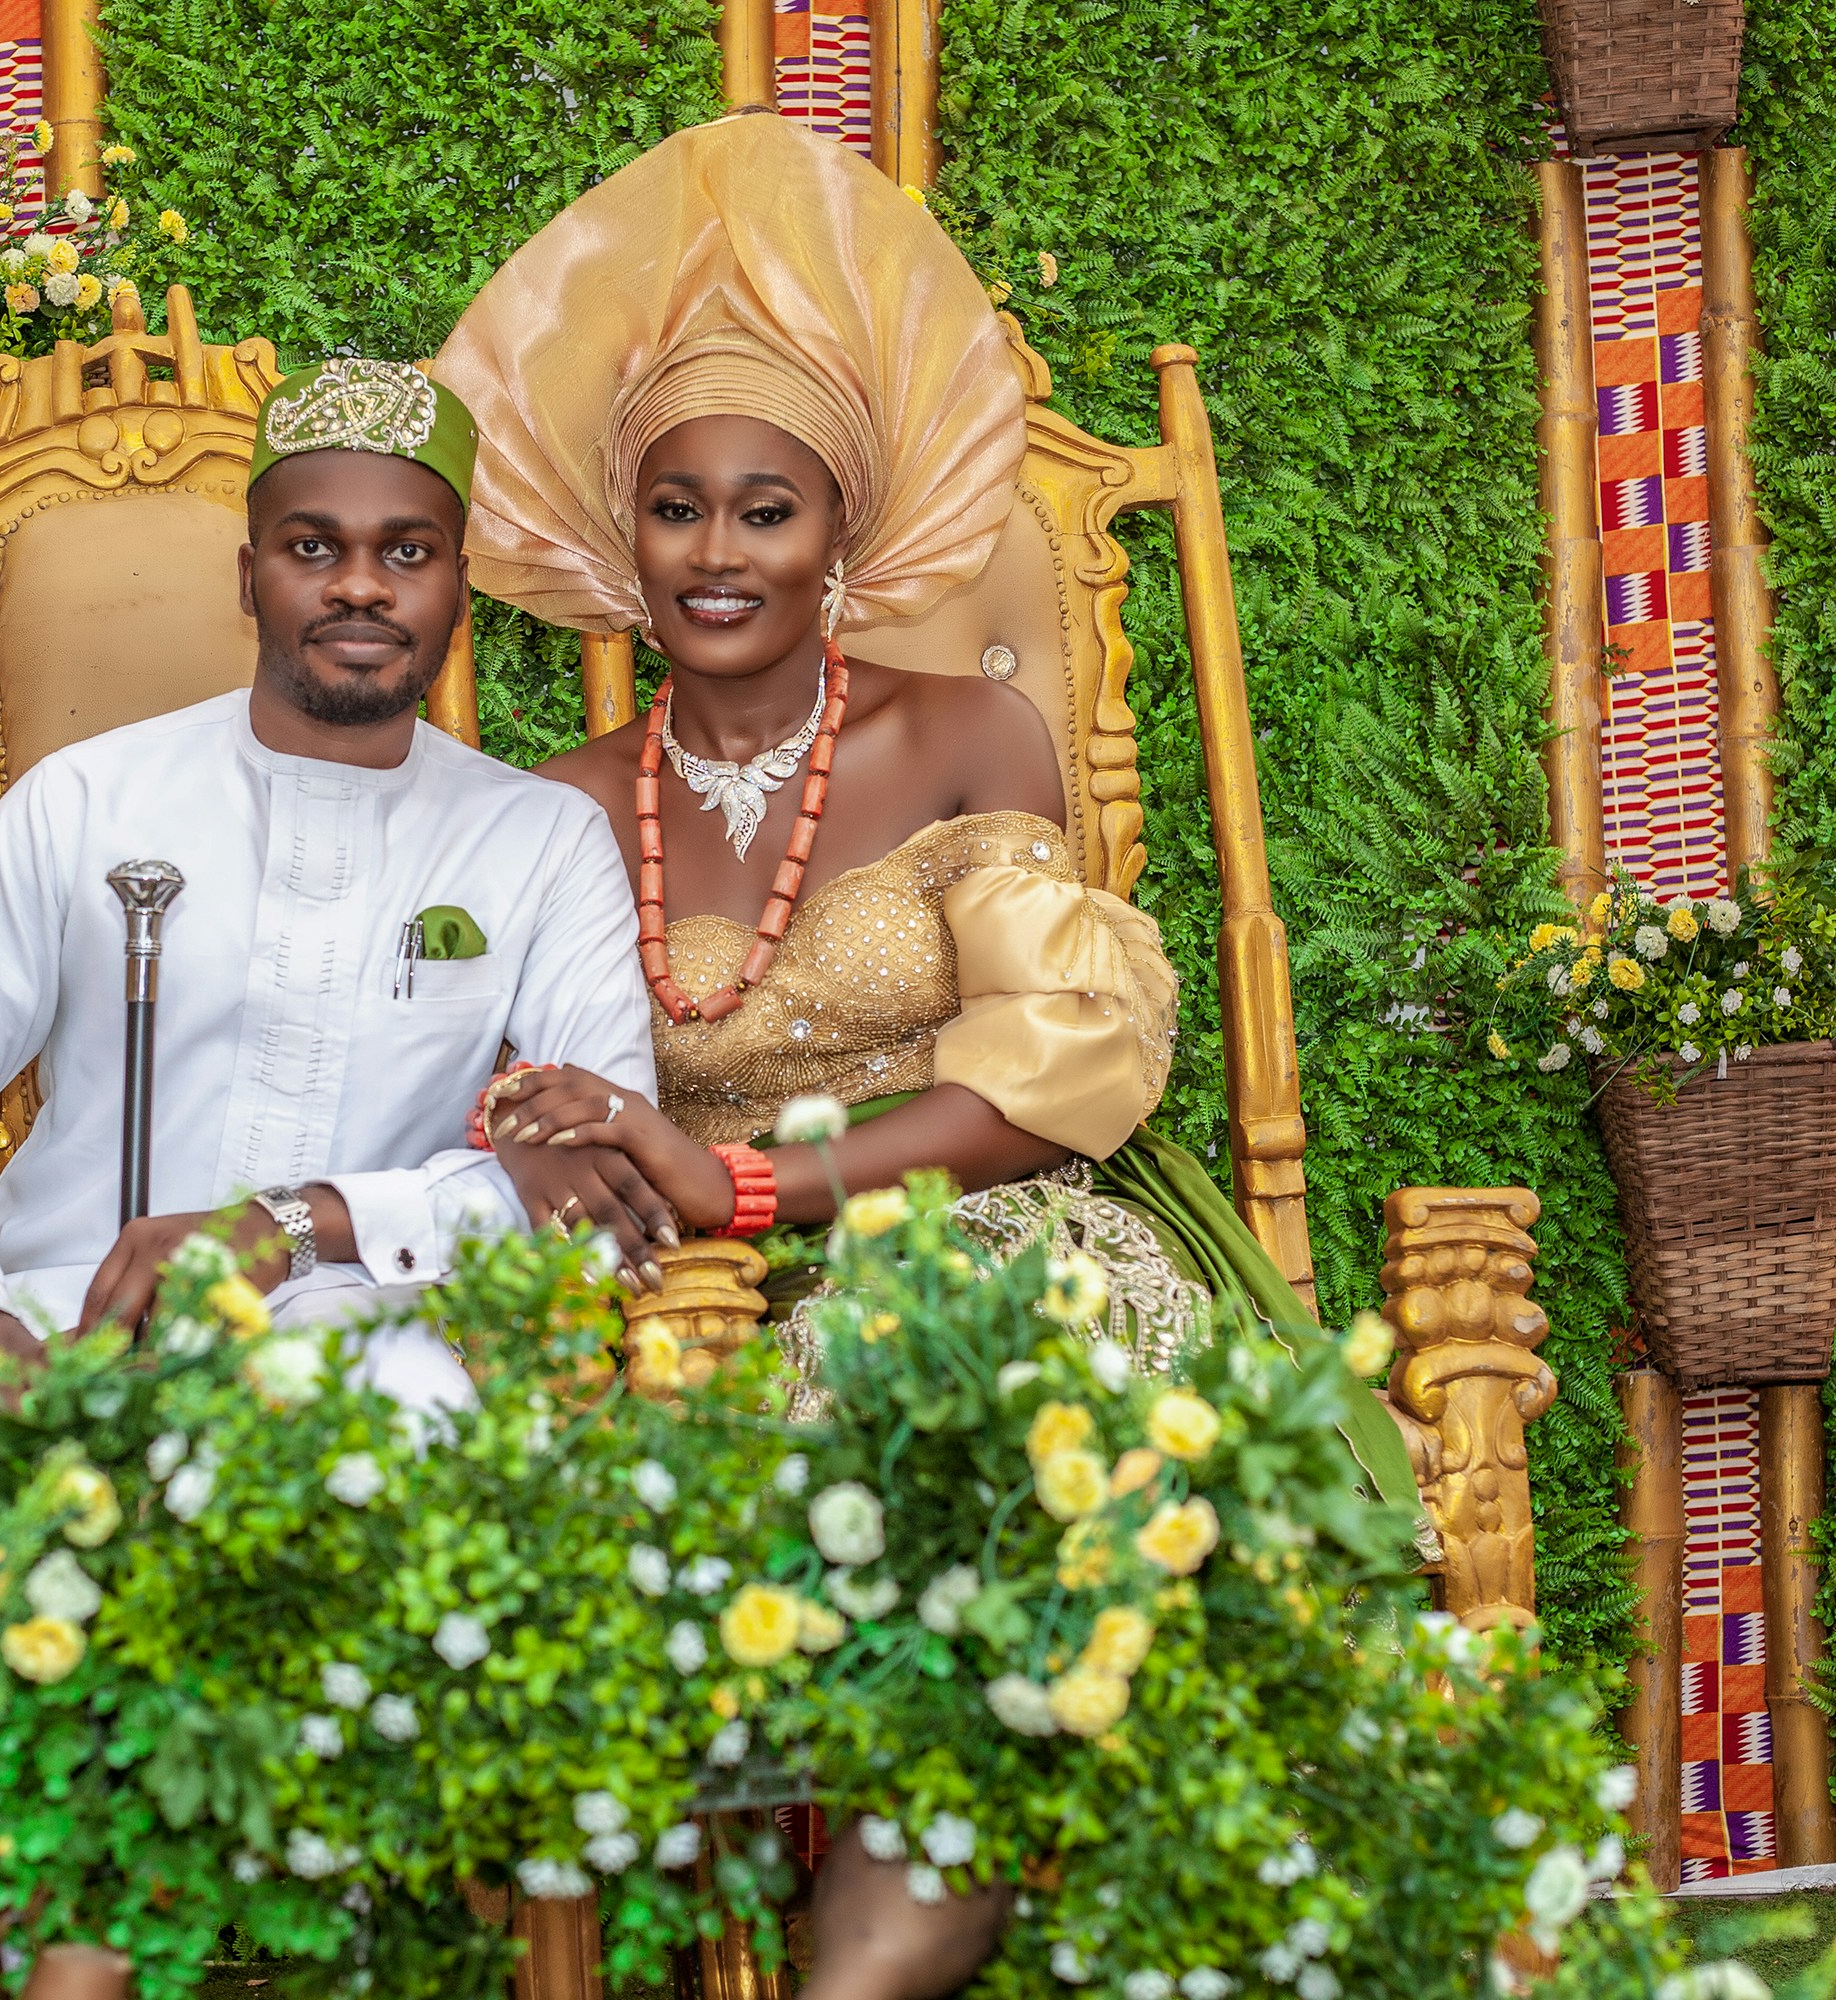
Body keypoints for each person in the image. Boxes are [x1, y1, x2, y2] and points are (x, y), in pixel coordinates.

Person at [436, 116, 1424, 1997]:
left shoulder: (973, 733)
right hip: (689, 1300)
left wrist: (749, 1181)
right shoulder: (552, 807)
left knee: (979, 1492)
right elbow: (500, 1077)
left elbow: (1049, 1077)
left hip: (984, 1235)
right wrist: (560, 1136)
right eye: (676, 506)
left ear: (843, 541)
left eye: (766, 509)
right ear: (616, 531)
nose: (715, 554)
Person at [0, 358, 676, 1414]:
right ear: (248, 575)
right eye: (314, 547)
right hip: (52, 1328)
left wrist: (305, 1222)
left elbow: (600, 1193)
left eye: (406, 550)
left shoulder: (539, 841)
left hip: (362, 1346)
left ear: (457, 587)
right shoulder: (79, 802)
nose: (360, 583)